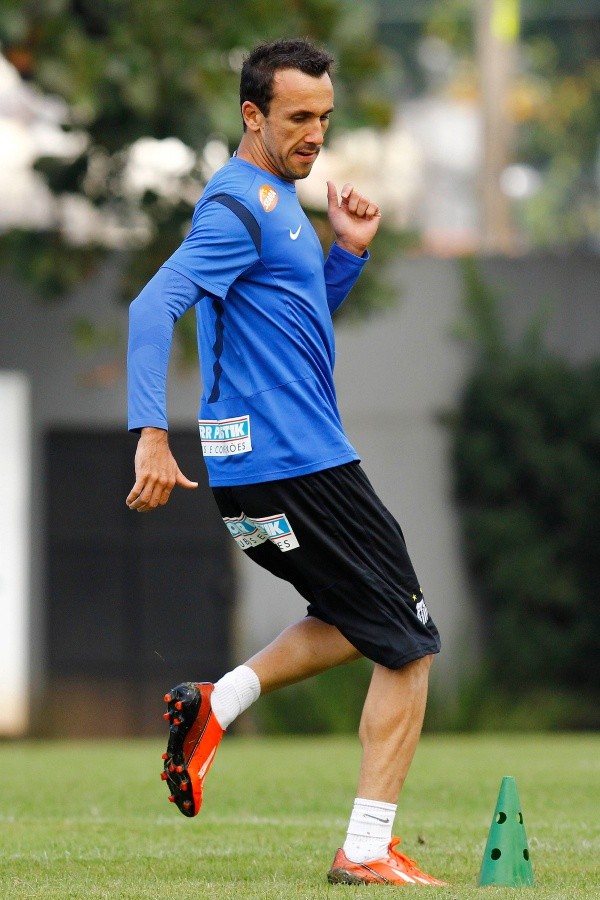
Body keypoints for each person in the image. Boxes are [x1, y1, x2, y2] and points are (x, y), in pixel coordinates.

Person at [126, 38, 445, 887]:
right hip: (300, 462)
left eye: (325, 118)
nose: (315, 134)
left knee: (357, 616)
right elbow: (152, 307)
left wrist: (346, 253)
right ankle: (366, 850)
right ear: (252, 115)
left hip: (254, 474)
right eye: (298, 116)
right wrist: (150, 433)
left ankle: (216, 704)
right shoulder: (239, 205)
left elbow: (296, 325)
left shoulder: (279, 207)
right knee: (409, 642)